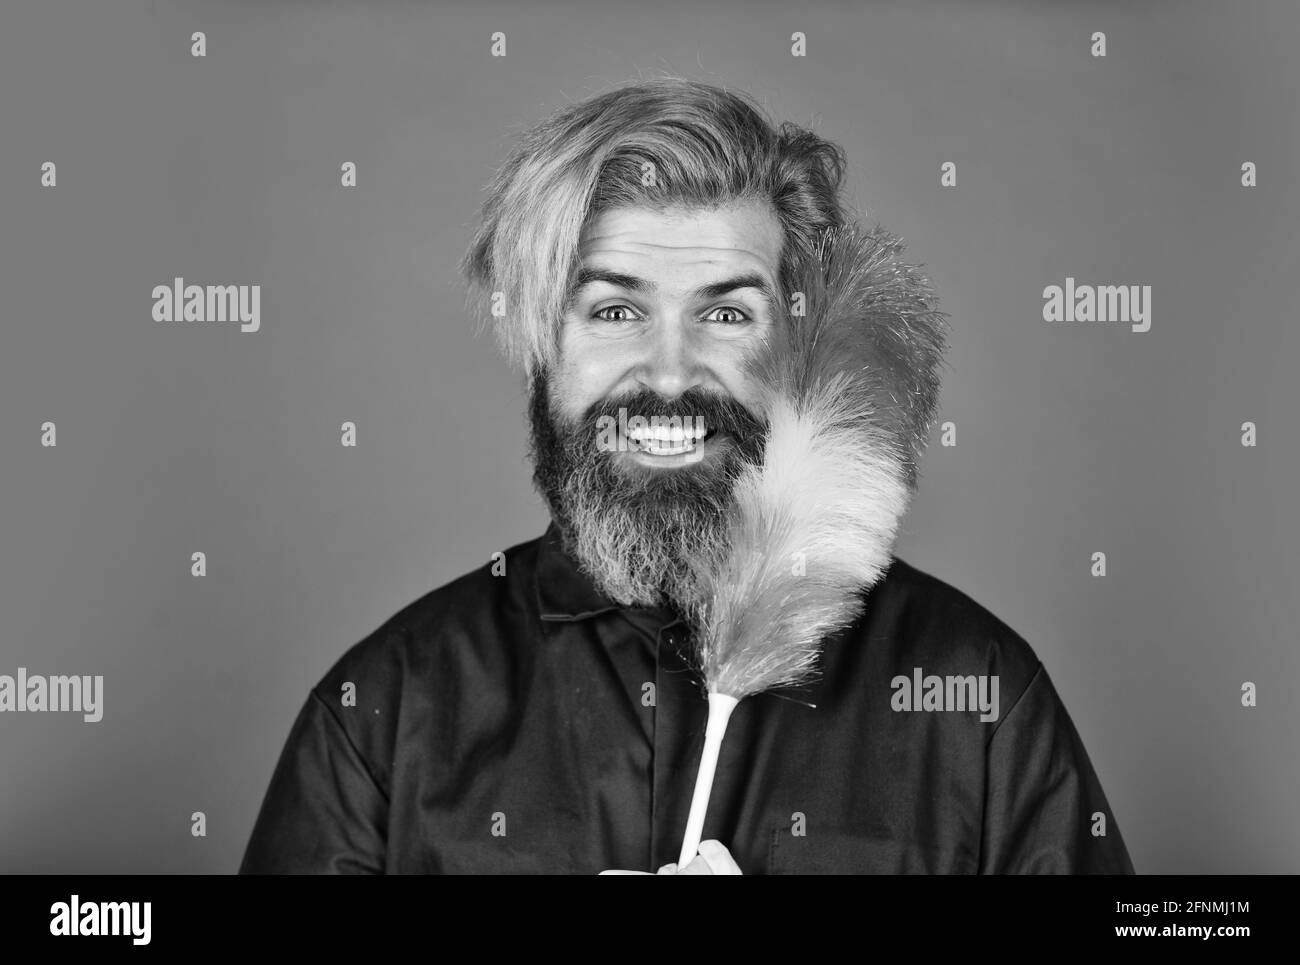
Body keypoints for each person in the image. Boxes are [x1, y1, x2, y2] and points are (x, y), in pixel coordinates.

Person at [239, 79, 1135, 875]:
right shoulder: (385, 714)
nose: (669, 373)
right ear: (541, 345)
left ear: (801, 340)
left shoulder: (976, 699)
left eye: (727, 312)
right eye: (616, 308)